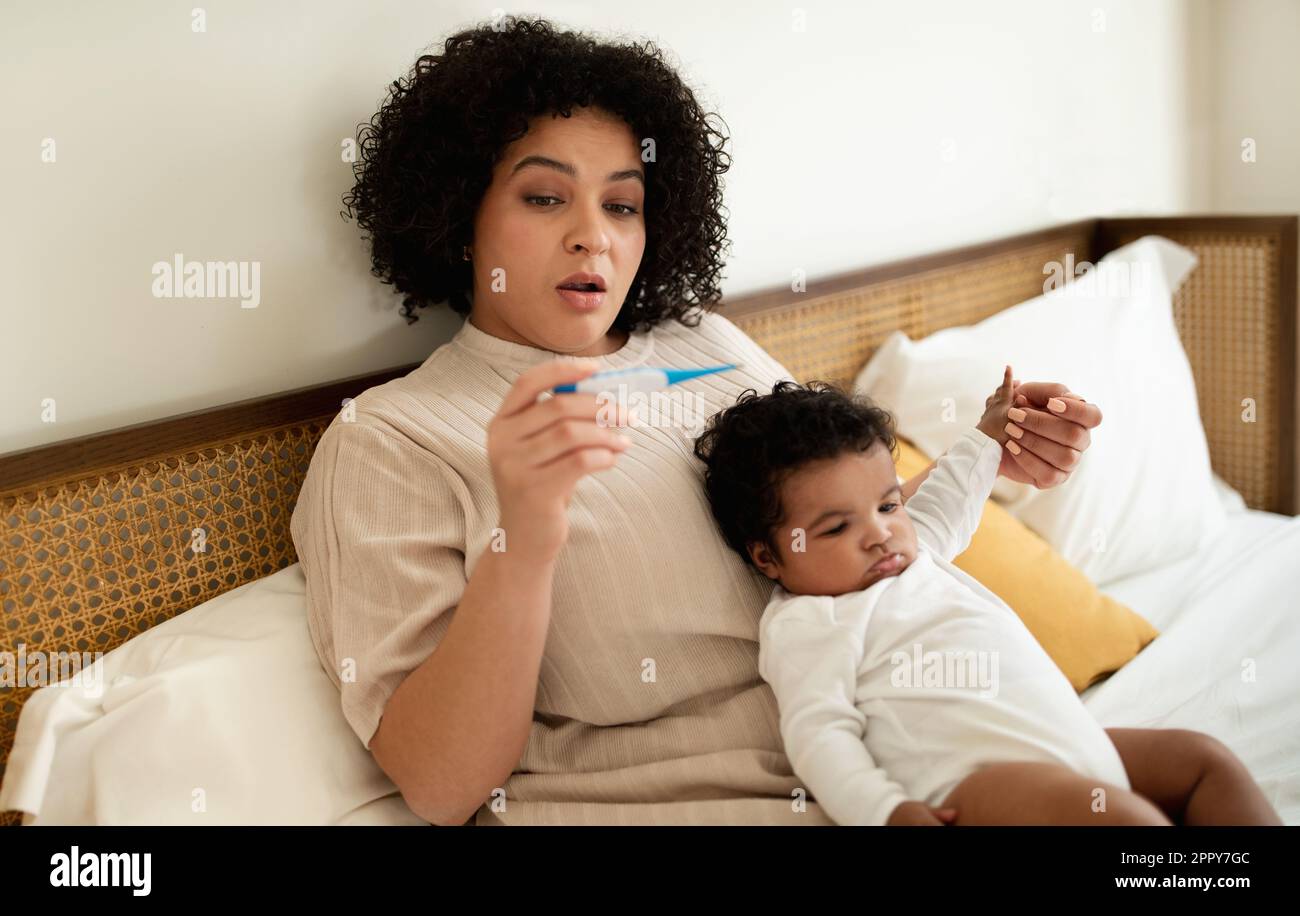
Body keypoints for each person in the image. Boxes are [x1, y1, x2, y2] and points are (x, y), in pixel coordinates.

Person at [290, 16, 1104, 826]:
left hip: (916, 755)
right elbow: (441, 784)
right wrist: (527, 536)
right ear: (458, 213)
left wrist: (990, 454)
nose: (592, 238)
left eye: (622, 205)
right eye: (544, 198)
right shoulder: (391, 441)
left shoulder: (702, 340)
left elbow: (837, 534)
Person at [691, 370, 1283, 826]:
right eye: (836, 528)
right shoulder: (808, 621)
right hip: (976, 784)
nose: (878, 533)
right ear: (768, 556)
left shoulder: (917, 552)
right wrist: (886, 810)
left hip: (1075, 746)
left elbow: (951, 493)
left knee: (1207, 762)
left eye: (888, 504)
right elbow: (819, 735)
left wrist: (993, 429)